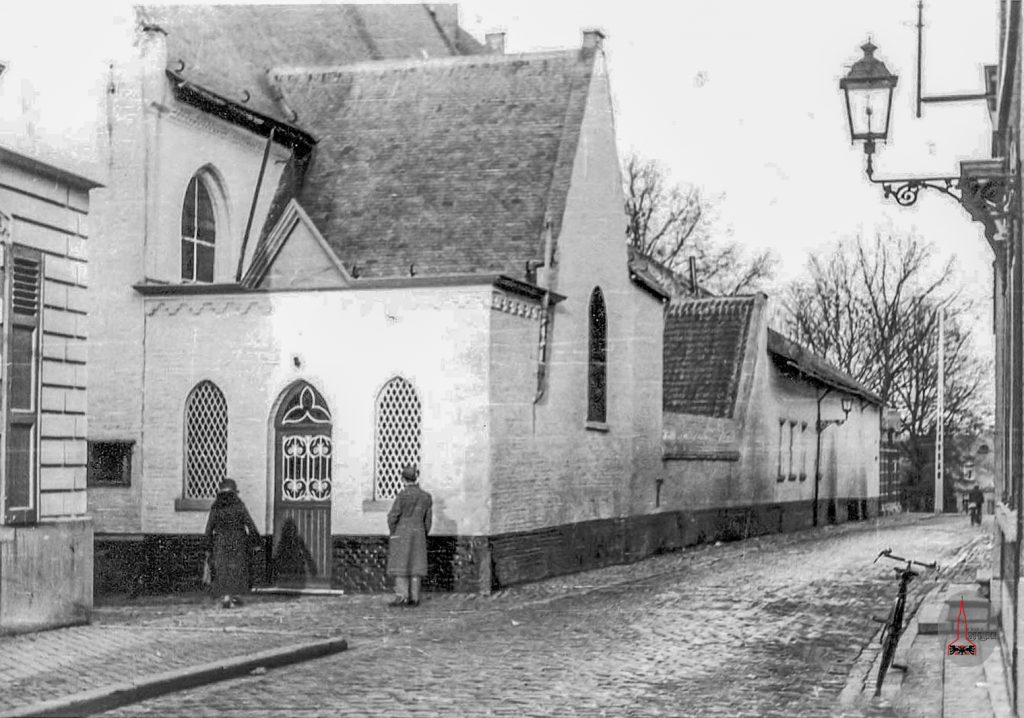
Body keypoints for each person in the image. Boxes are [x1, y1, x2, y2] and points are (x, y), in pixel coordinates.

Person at [205, 478, 260, 608]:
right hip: (238, 540)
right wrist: (256, 541)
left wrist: (207, 546)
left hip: (221, 541)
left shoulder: (216, 506)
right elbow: (249, 523)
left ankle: (225, 597)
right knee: (236, 569)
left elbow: (209, 528)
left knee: (222, 569)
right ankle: (235, 596)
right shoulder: (238, 505)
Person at [386, 465, 433, 607]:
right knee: (415, 566)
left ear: (403, 479)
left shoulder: (402, 496)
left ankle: (402, 596)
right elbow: (428, 520)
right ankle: (415, 597)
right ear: (416, 478)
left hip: (402, 532)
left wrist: (394, 531)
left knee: (401, 566)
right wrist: (423, 533)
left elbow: (392, 516)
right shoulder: (426, 497)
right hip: (418, 533)